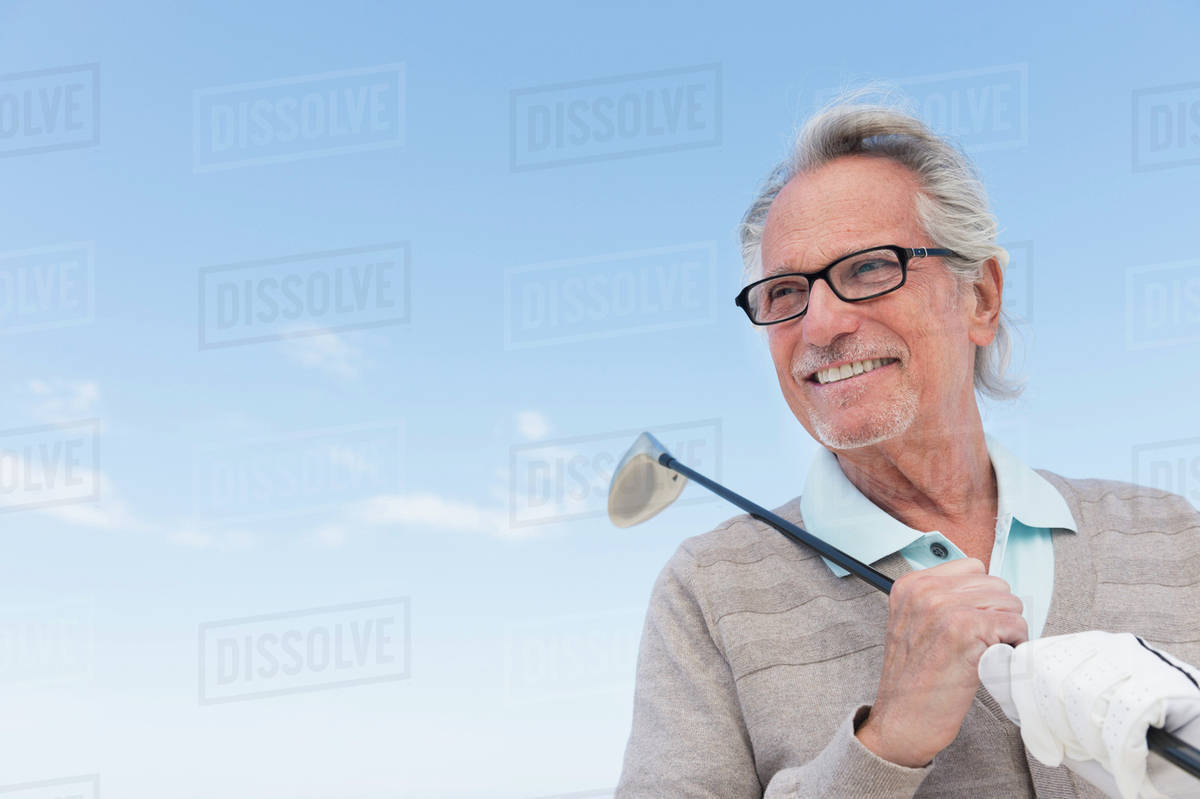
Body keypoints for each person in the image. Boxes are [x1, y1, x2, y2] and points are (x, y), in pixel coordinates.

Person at [614, 92, 1200, 798]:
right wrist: (886, 742)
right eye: (785, 291)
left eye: (868, 268)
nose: (821, 323)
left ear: (979, 297)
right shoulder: (710, 592)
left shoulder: (1176, 536)